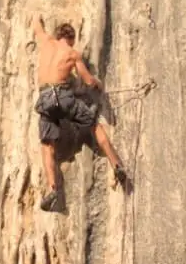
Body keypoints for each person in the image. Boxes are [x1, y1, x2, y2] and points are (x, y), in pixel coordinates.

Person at [31, 14, 128, 212]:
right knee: (94, 125)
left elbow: (37, 27)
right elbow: (87, 80)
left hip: (45, 99)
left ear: (58, 35)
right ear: (72, 38)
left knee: (47, 147)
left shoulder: (46, 42)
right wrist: (98, 84)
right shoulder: (72, 53)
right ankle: (116, 164)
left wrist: (36, 17)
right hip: (64, 98)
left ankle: (52, 189)